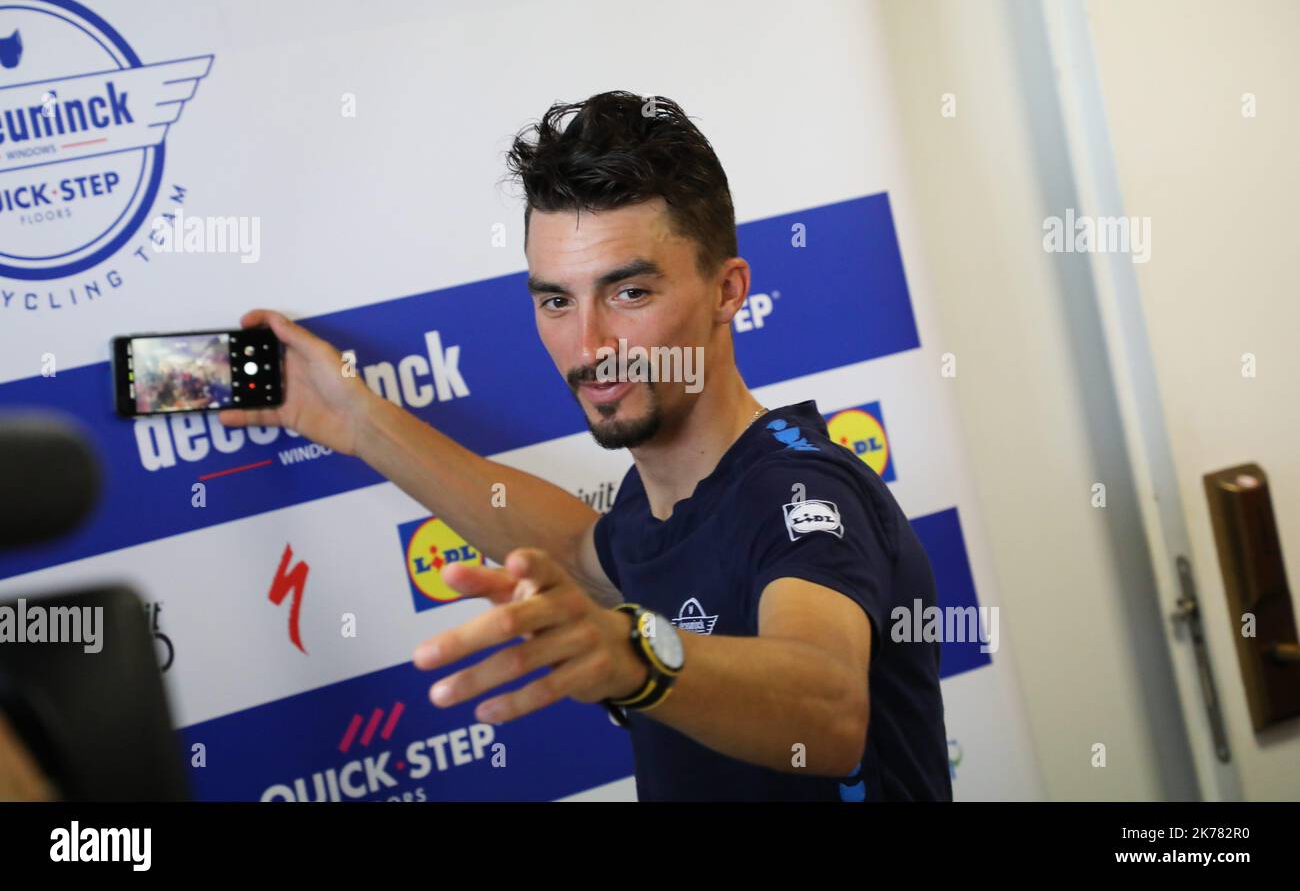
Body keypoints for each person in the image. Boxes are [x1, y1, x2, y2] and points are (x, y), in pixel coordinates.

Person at [219, 91, 952, 801]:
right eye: (556, 301)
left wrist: (634, 655)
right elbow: (578, 554)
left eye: (629, 293)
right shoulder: (662, 501)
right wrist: (358, 423)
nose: (590, 345)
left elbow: (824, 706)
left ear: (728, 292)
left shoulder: (802, 494)